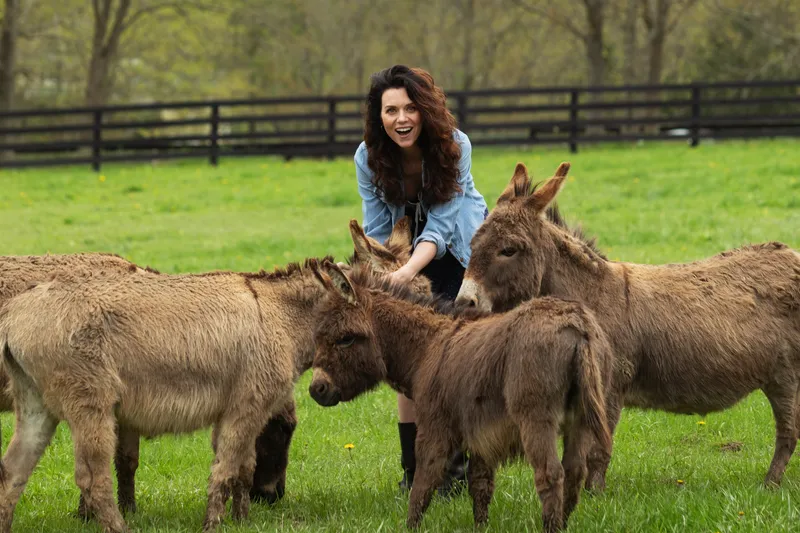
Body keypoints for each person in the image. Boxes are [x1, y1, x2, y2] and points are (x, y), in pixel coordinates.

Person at [354, 65, 489, 495]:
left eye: (411, 107)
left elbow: (444, 223)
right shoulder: (367, 157)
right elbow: (377, 227)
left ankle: (458, 466)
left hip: (459, 249)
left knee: (456, 356)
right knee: (411, 358)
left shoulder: (455, 145)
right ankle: (415, 471)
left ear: (426, 110)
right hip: (401, 248)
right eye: (390, 110)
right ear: (379, 117)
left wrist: (406, 274)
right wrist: (380, 272)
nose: (401, 118)